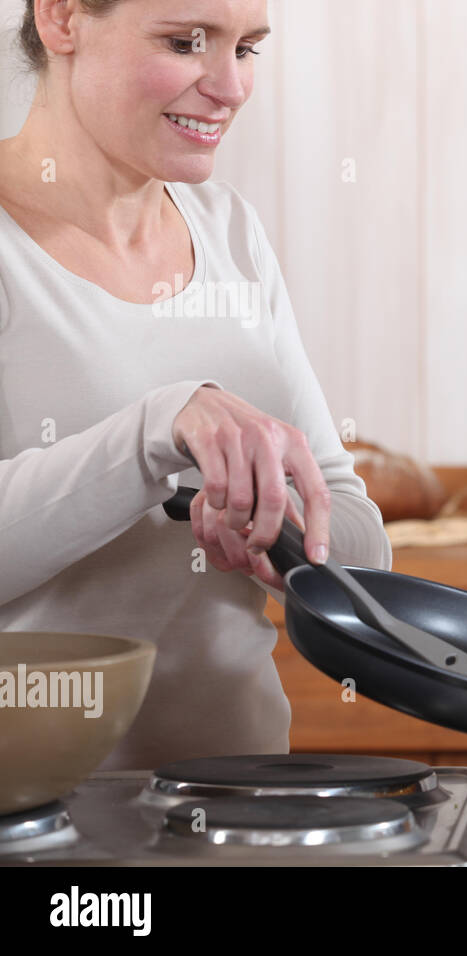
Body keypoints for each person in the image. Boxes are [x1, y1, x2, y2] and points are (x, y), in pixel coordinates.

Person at [0, 0, 390, 768]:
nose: (232, 86)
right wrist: (155, 431)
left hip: (239, 799)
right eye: (186, 42)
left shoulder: (230, 231)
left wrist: (279, 543)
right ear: (63, 18)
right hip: (32, 813)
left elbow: (356, 532)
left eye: (246, 48)